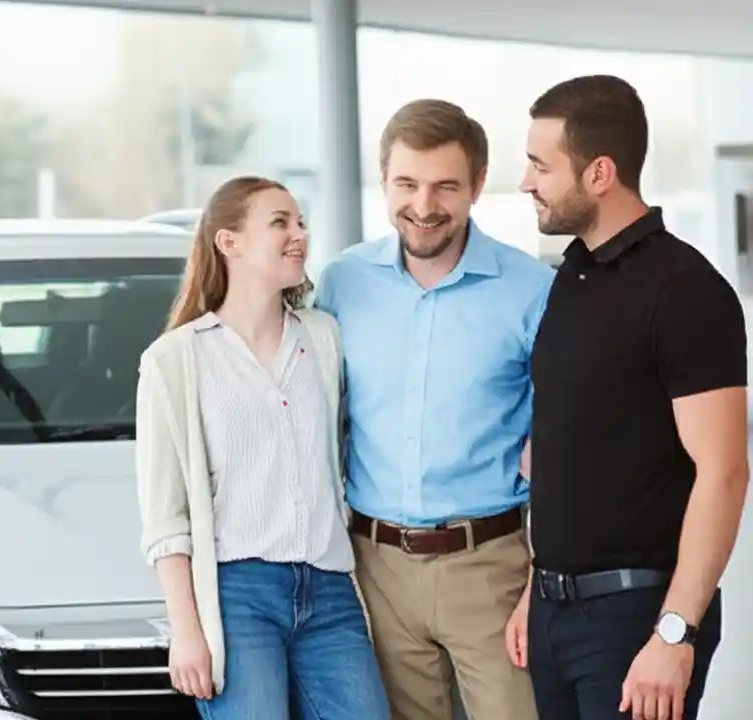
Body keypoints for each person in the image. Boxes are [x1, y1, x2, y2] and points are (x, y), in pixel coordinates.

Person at [313, 99, 555, 720]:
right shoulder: (342, 283)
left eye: (446, 186)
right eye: (406, 184)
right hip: (376, 569)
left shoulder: (532, 291)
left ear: (478, 182)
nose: (423, 206)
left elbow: (566, 435)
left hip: (492, 566)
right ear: (383, 180)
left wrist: (541, 577)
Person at [521, 74, 747, 720]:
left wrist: (675, 633)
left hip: (636, 618)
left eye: (541, 165)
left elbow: (725, 472)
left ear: (599, 173)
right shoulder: (572, 276)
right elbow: (568, 449)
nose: (526, 181)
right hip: (552, 614)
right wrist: (536, 590)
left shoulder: (686, 291)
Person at [135, 176, 389, 718]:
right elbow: (165, 518)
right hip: (238, 595)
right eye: (280, 223)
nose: (299, 234)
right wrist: (187, 631)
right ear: (229, 242)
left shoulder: (323, 337)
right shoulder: (175, 360)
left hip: (330, 589)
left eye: (301, 222)